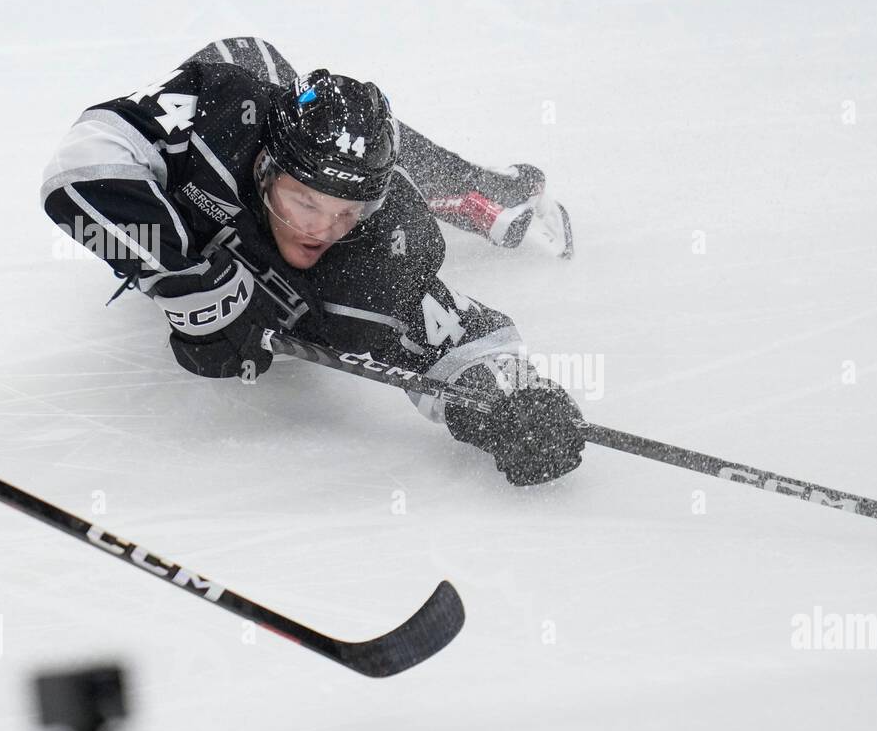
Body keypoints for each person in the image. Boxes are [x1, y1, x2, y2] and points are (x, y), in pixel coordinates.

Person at [40, 36, 583, 486]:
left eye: (347, 211)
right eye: (304, 202)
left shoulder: (377, 256)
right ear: (265, 169)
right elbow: (80, 166)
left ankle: (481, 192)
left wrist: (517, 404)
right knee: (263, 72)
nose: (322, 230)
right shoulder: (215, 116)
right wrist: (182, 277)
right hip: (252, 66)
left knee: (374, 153)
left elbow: (465, 336)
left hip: (333, 155)